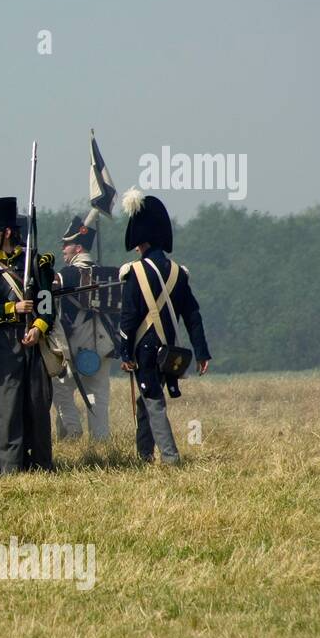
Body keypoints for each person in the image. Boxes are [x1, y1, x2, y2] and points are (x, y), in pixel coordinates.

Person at [117, 189, 211, 464]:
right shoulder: (179, 273)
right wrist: (201, 352)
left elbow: (129, 317)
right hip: (168, 350)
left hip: (145, 350)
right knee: (146, 401)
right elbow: (193, 315)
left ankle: (171, 460)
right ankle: (143, 457)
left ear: (142, 239)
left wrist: (124, 352)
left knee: (154, 403)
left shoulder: (134, 272)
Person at [0, 197, 55, 473]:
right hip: (3, 343)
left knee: (37, 407)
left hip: (33, 343)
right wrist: (13, 308)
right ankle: (11, 469)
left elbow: (47, 307)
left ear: (6, 232)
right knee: (8, 409)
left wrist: (38, 327)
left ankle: (42, 466)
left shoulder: (34, 263)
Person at [52, 217, 111, 441]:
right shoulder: (106, 273)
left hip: (73, 348)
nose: (62, 249)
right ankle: (102, 444)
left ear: (77, 247)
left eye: (66, 245)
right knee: (99, 400)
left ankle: (72, 430)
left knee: (60, 389)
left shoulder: (66, 274)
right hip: (103, 347)